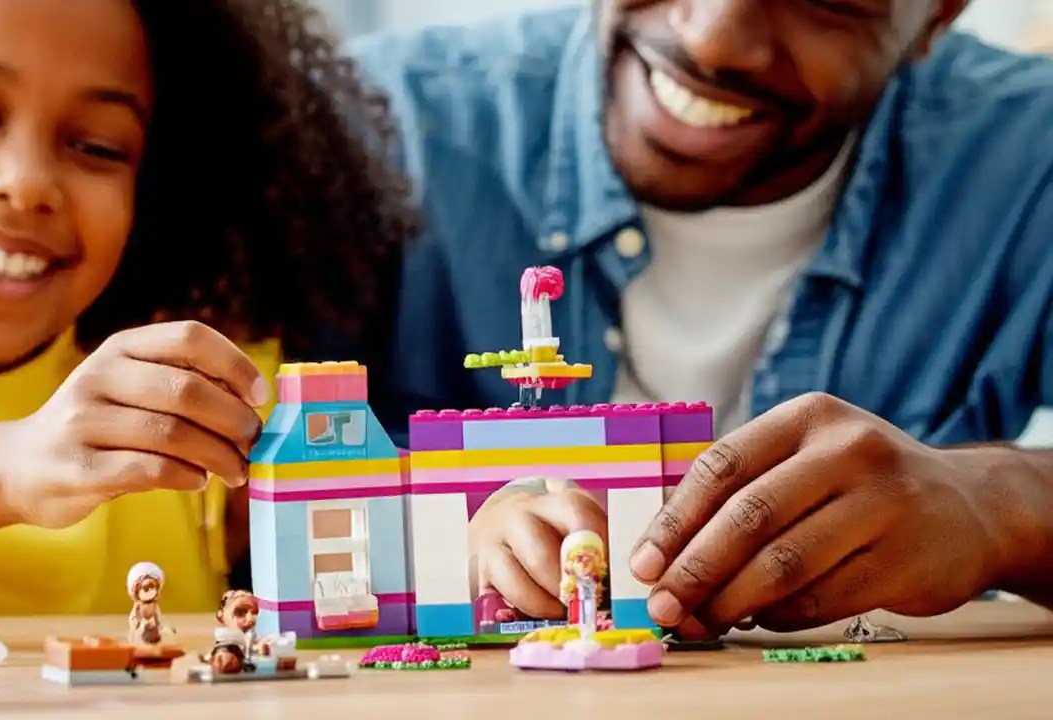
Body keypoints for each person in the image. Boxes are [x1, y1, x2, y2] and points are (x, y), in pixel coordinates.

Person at [350, 0, 1053, 638]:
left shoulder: (1027, 162)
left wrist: (1006, 509)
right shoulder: (371, 126)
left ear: (938, 15)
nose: (716, 39)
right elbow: (255, 497)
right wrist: (423, 536)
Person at [0, 0, 412, 619]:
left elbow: (378, 552)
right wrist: (12, 464)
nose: (25, 183)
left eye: (99, 148)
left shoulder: (199, 388)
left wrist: (473, 537)